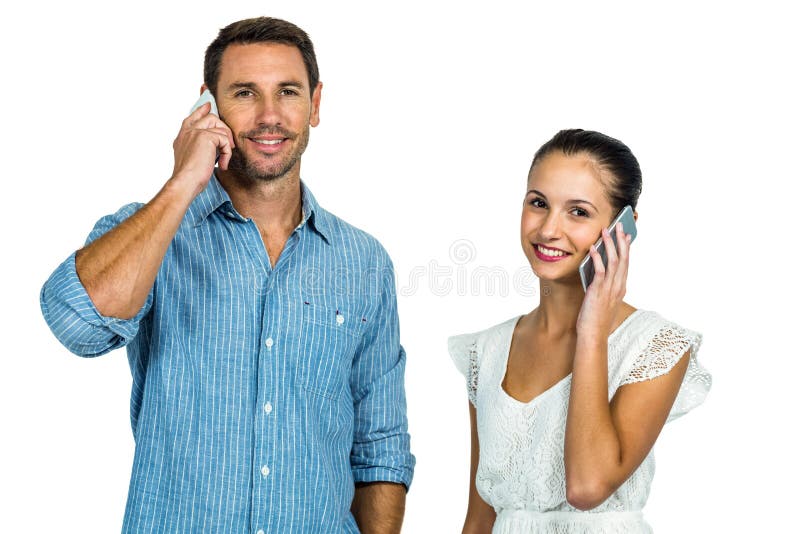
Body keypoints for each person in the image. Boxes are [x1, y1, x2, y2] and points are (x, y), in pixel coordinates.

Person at [40, 17, 414, 534]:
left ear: (316, 103)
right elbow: (75, 323)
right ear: (206, 104)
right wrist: (184, 181)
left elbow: (380, 449)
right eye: (244, 93)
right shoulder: (150, 232)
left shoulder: (364, 262)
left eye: (288, 92)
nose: (269, 116)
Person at [449, 129, 711, 533]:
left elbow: (587, 486)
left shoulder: (655, 345)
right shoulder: (487, 351)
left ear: (624, 228)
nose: (549, 229)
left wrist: (592, 330)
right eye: (539, 203)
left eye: (579, 212)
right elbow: (480, 518)